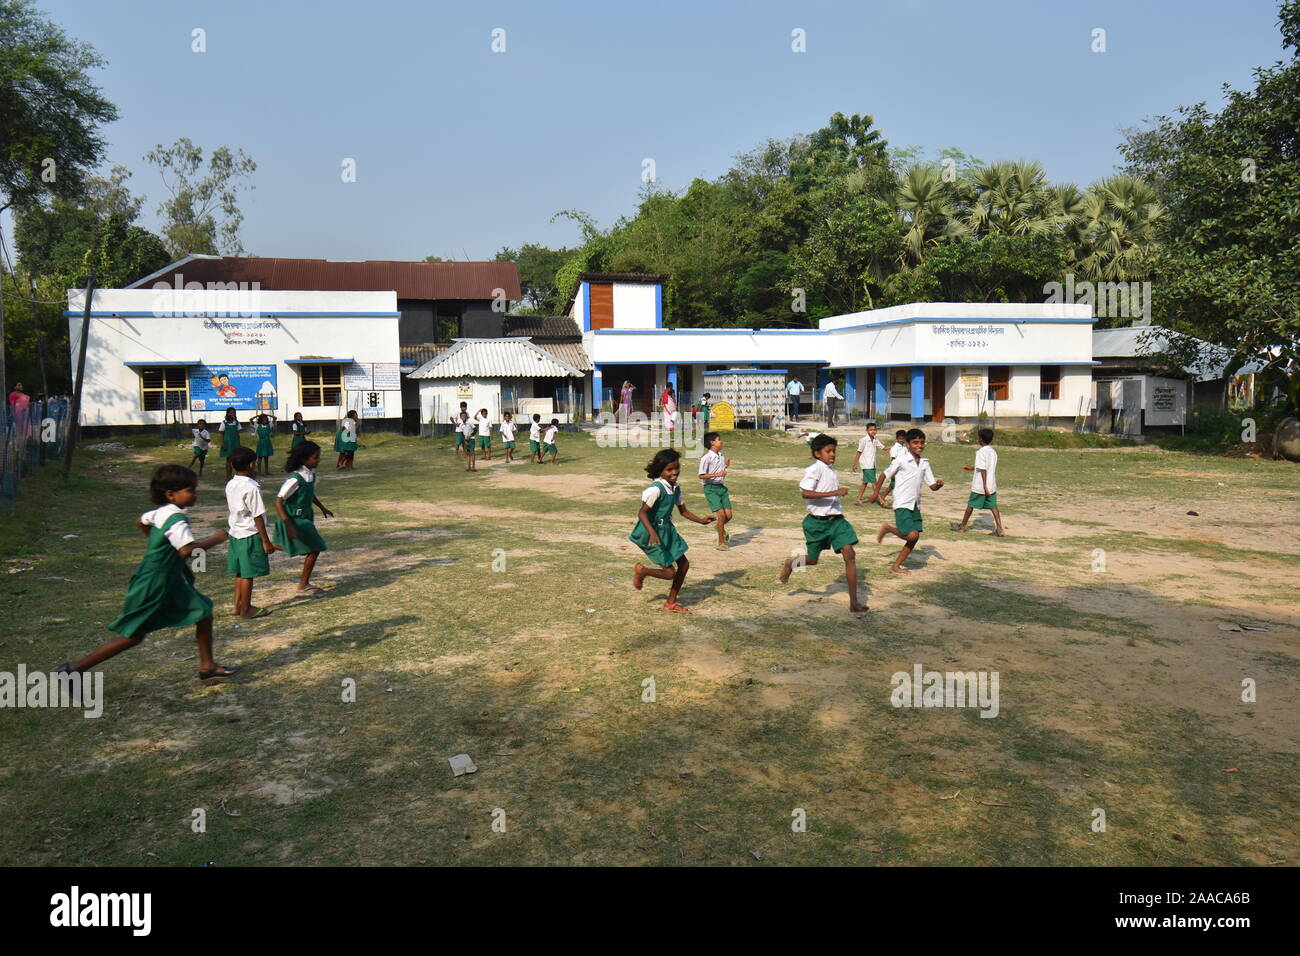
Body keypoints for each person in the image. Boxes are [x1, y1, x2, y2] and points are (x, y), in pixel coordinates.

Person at [55, 465, 239, 682]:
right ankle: (73, 669)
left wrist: (156, 546)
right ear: (171, 494)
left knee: (204, 612)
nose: (195, 494)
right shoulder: (177, 519)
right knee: (133, 637)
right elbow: (186, 551)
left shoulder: (162, 512)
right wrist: (216, 539)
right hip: (154, 582)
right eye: (190, 490)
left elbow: (141, 521)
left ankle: (207, 666)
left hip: (169, 579)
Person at [778, 434, 867, 613]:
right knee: (812, 560)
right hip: (816, 524)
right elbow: (806, 493)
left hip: (836, 521)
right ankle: (791, 564)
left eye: (834, 451)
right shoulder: (814, 469)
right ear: (818, 453)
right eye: (828, 451)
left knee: (849, 554)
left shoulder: (832, 470)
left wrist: (836, 494)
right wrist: (835, 492)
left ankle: (854, 603)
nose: (832, 454)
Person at [630, 448, 715, 613]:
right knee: (669, 573)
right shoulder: (655, 489)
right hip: (651, 533)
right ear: (660, 470)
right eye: (669, 469)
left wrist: (702, 521)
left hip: (667, 530)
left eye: (676, 468)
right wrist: (653, 533)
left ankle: (671, 603)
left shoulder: (675, 488)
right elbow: (642, 513)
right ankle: (642, 571)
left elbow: (683, 511)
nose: (674, 472)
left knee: (684, 565)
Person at [871, 427, 944, 574]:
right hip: (902, 502)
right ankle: (888, 528)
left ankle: (896, 566)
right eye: (915, 442)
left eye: (922, 443)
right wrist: (876, 494)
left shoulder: (924, 463)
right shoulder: (902, 459)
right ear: (908, 444)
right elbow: (883, 475)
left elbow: (932, 486)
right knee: (912, 535)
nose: (919, 446)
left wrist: (938, 485)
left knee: (913, 538)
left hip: (915, 504)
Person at [272, 441, 333, 595]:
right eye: (315, 457)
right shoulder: (295, 478)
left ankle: (269, 546)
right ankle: (304, 583)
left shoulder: (311, 475)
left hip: (305, 518)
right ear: (304, 459)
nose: (318, 460)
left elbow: (309, 493)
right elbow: (278, 501)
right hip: (293, 519)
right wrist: (288, 524)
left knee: (308, 549)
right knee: (315, 548)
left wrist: (322, 508)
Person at [226, 446, 278, 618]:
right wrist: (265, 541)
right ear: (251, 465)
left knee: (240, 572)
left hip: (235, 533)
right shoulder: (251, 488)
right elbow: (257, 516)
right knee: (248, 574)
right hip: (250, 534)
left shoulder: (231, 483)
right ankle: (246, 609)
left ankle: (237, 606)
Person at [951, 427, 1004, 536]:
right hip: (991, 485)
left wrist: (984, 486)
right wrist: (972, 468)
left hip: (980, 486)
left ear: (980, 439)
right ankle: (1000, 529)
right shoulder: (993, 452)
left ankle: (962, 526)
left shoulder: (980, 452)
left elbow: (983, 470)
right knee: (994, 507)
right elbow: (985, 466)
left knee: (970, 506)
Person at [698, 431, 733, 550]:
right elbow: (701, 475)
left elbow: (720, 469)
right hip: (711, 489)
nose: (721, 441)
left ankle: (720, 527)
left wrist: (726, 466)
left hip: (722, 488)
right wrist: (718, 473)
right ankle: (721, 543)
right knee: (721, 515)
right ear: (712, 443)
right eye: (718, 439)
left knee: (729, 515)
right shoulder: (706, 458)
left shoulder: (721, 455)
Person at [851, 421, 885, 506]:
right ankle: (882, 501)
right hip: (866, 465)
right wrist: (855, 464)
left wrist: (896, 446)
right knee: (874, 483)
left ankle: (858, 499)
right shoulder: (864, 440)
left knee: (865, 483)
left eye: (874, 430)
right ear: (867, 430)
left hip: (872, 465)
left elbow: (884, 448)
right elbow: (859, 452)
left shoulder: (875, 440)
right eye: (871, 430)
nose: (873, 431)